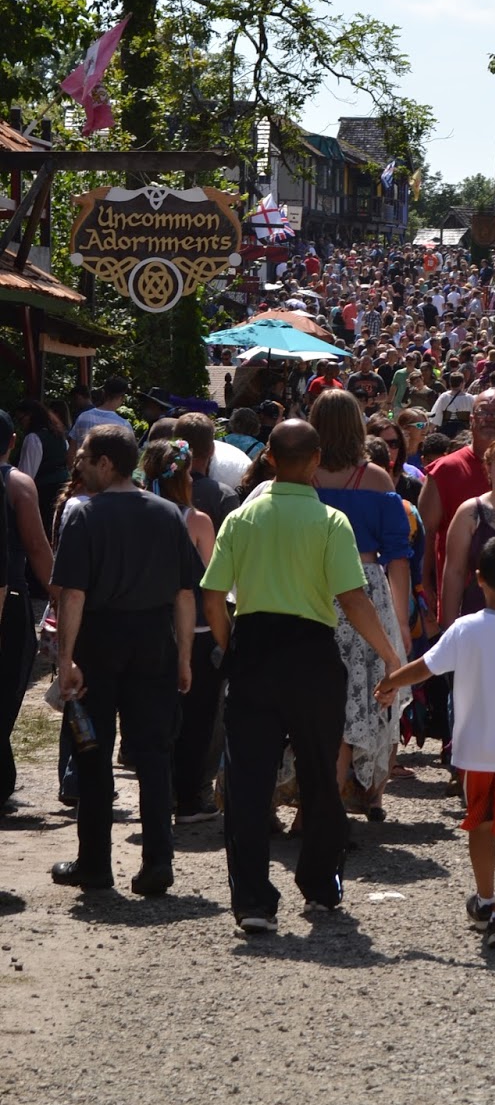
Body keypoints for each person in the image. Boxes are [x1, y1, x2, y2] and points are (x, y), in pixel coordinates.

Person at [201, 420, 402, 932]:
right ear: (315, 460)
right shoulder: (331, 522)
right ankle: (319, 888)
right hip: (312, 654)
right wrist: (389, 656)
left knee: (247, 780)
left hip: (254, 649)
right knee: (319, 774)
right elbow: (353, 599)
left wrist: (231, 645)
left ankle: (251, 902)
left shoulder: (240, 520)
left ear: (268, 456)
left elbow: (212, 593)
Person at [375, 535, 495, 949]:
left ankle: (483, 898)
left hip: (474, 753)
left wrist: (391, 681)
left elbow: (424, 669)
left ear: (478, 580)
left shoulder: (464, 630)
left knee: (479, 826)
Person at [51, 424, 200, 895]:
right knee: (154, 754)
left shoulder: (82, 514)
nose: (78, 465)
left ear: (106, 463)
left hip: (99, 638)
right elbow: (184, 594)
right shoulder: (167, 513)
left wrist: (66, 659)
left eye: (85, 458)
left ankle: (94, 862)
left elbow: (72, 594)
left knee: (93, 753)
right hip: (154, 639)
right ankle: (158, 861)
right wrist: (184, 656)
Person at [309, 391, 412, 820]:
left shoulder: (303, 475)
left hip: (311, 589)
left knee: (316, 700)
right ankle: (358, 796)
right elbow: (398, 556)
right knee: (364, 699)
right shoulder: (376, 480)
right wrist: (402, 623)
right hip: (365, 589)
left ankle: (313, 805)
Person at [141, 438, 219, 823]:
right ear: (186, 475)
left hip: (150, 626)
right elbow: (215, 579)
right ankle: (188, 797)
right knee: (196, 716)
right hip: (199, 630)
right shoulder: (197, 521)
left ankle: (157, 794)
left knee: (154, 714)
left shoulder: (141, 516)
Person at [420, 389, 495, 615]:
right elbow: (425, 534)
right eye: (483, 412)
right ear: (471, 420)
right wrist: (424, 586)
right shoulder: (444, 470)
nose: (489, 418)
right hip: (460, 603)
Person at [0, 411, 51, 809]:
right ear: (13, 440)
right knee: (8, 683)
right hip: (11, 594)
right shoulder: (18, 483)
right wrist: (60, 594)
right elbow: (36, 547)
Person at [439, 436, 495, 627]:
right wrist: (449, 629)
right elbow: (455, 572)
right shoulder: (469, 512)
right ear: (488, 468)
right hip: (478, 615)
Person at [15, 399, 69, 533]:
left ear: (30, 416)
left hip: (44, 496)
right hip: (63, 490)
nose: (22, 424)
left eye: (21, 419)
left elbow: (26, 476)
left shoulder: (33, 438)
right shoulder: (59, 435)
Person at [67, 376, 133, 453]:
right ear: (122, 398)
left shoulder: (83, 417)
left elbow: (71, 452)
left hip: (83, 464)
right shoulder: (123, 425)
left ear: (104, 393)